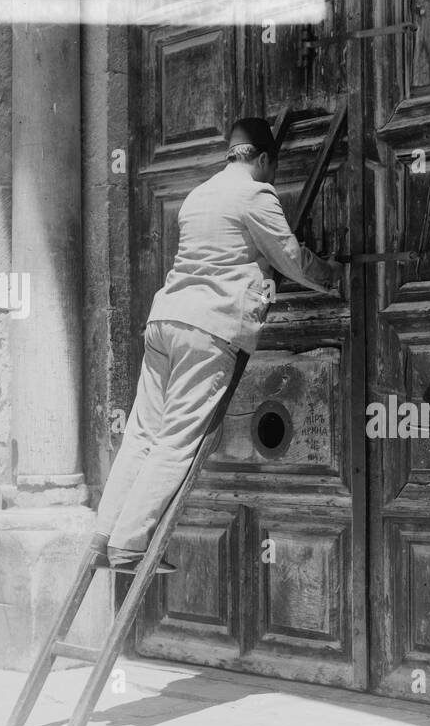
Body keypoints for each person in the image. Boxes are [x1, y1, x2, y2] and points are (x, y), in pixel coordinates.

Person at [92, 117, 342, 571]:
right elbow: (289, 257)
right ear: (263, 159)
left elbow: (225, 253)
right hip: (208, 330)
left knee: (142, 434)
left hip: (166, 319)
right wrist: (333, 275)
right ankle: (129, 545)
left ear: (232, 152)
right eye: (271, 167)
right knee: (177, 439)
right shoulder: (255, 193)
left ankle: (104, 534)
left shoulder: (198, 194)